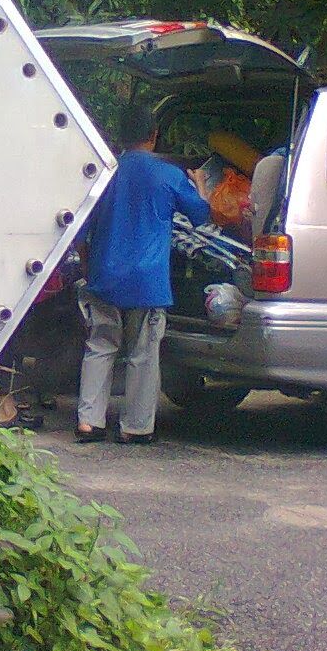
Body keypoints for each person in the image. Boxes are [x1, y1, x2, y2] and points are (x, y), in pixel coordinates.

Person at [76, 104, 211, 444]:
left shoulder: (104, 173)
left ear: (119, 135)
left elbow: (79, 233)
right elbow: (200, 214)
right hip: (147, 283)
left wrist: (88, 267)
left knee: (100, 346)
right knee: (143, 354)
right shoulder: (169, 175)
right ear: (154, 135)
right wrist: (200, 184)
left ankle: (89, 422)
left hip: (104, 277)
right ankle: (135, 427)